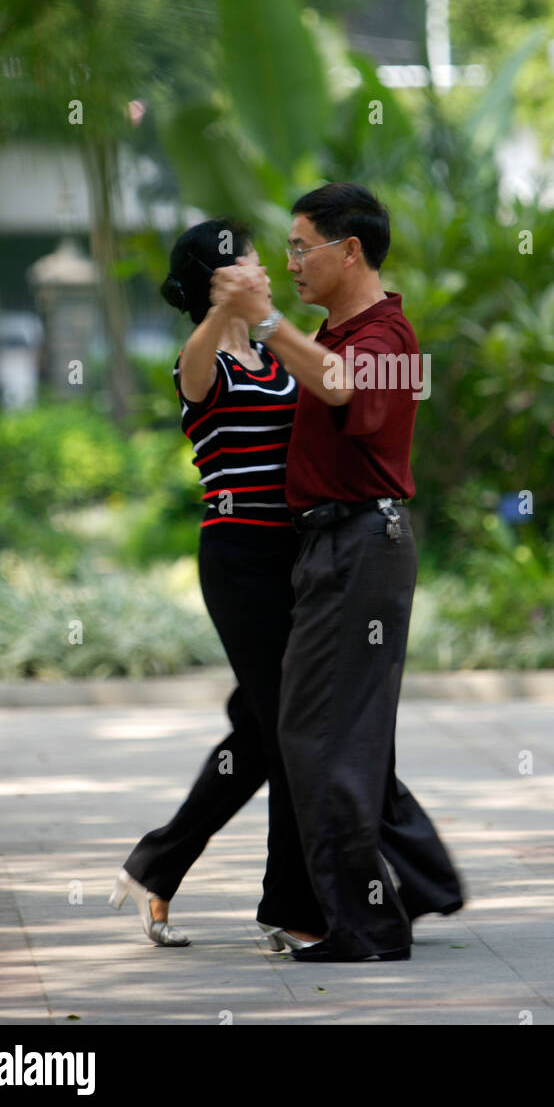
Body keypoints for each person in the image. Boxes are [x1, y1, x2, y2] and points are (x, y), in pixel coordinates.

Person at [210, 182, 464, 962]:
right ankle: (411, 886)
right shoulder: (339, 329)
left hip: (361, 546)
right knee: (328, 731)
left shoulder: (386, 337)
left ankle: (365, 924)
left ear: (349, 249)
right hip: (330, 548)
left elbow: (340, 385)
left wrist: (265, 319)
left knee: (321, 736)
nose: (289, 262)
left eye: (300, 246)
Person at [109, 218, 325, 951]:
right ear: (220, 278)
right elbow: (194, 368)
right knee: (283, 733)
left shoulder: (274, 354)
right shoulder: (203, 363)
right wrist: (220, 313)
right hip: (238, 559)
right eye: (255, 263)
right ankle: (292, 910)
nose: (272, 269)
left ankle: (158, 868)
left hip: (296, 556)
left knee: (265, 732)